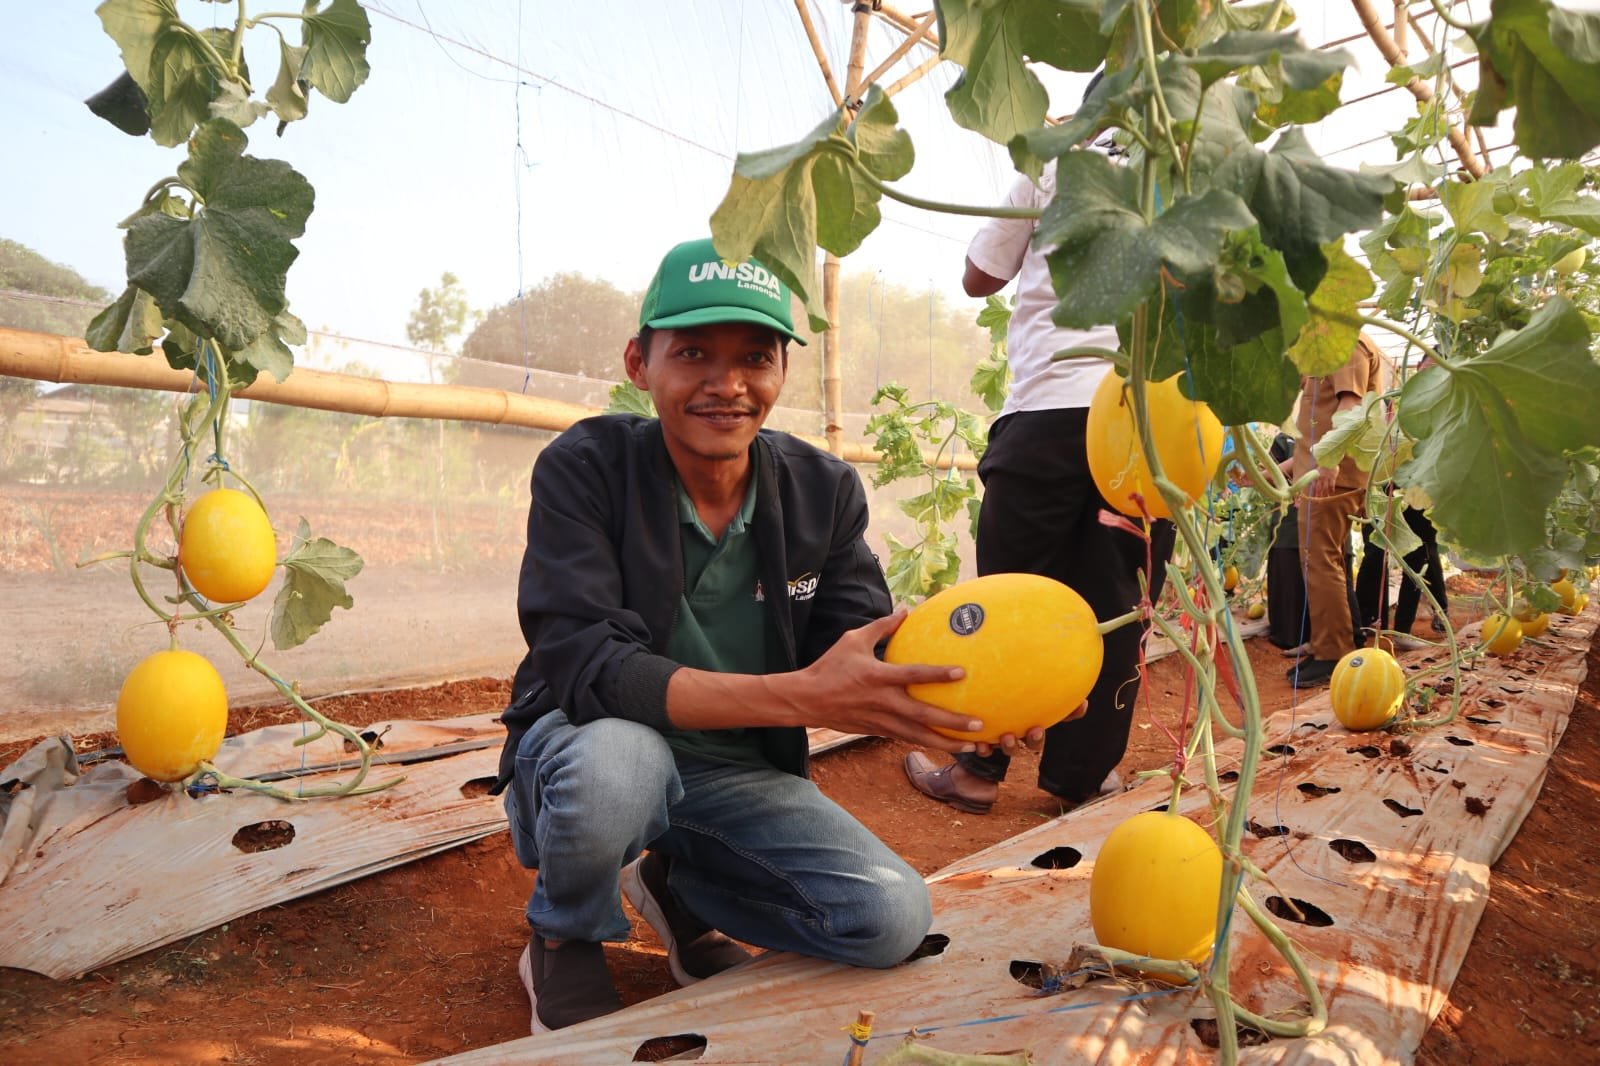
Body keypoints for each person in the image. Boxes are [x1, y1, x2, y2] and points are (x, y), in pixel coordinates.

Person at [491, 238, 1014, 1034]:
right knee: (618, 764)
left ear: (782, 372)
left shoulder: (821, 491)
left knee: (888, 918)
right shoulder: (588, 467)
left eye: (755, 357)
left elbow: (866, 647)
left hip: (731, 772)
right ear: (641, 362)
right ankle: (563, 934)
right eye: (693, 352)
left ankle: (677, 888)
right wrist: (799, 695)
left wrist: (1000, 695)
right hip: (594, 748)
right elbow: (588, 667)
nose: (726, 384)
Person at [901, 144, 1177, 816]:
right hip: (1146, 423)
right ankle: (1079, 779)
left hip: (1048, 412)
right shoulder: (1189, 160)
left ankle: (976, 768)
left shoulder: (1054, 160)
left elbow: (980, 277)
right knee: (1118, 607)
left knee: (1010, 598)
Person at [1289, 333, 1386, 687]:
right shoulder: (1323, 346)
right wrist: (1282, 472)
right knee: (1326, 560)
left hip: (1332, 477)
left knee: (1319, 560)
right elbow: (1312, 432)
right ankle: (1334, 641)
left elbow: (1350, 406)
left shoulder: (1346, 342)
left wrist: (1328, 461)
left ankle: (1332, 655)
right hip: (1321, 474)